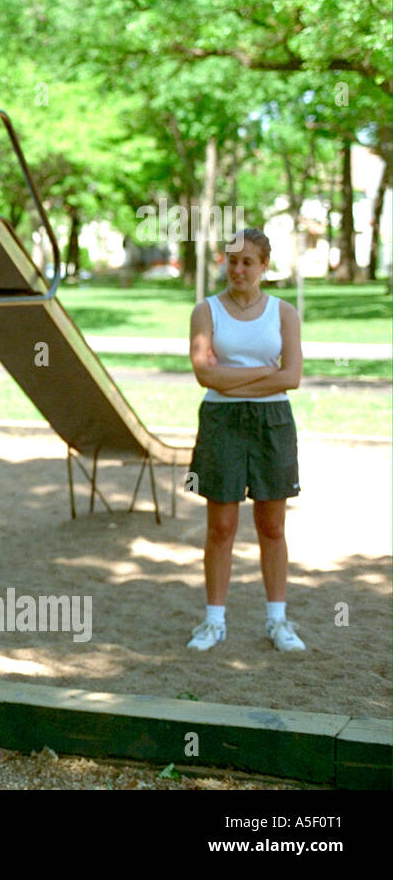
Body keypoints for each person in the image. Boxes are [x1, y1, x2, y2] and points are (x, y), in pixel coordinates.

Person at [186, 227, 304, 652]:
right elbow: (206, 375)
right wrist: (265, 373)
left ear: (264, 266)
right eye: (232, 260)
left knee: (272, 526)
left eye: (247, 262)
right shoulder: (206, 311)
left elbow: (292, 377)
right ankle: (214, 622)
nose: (237, 269)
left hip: (273, 421)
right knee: (221, 526)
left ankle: (277, 621)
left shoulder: (283, 313)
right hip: (221, 419)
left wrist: (232, 378)